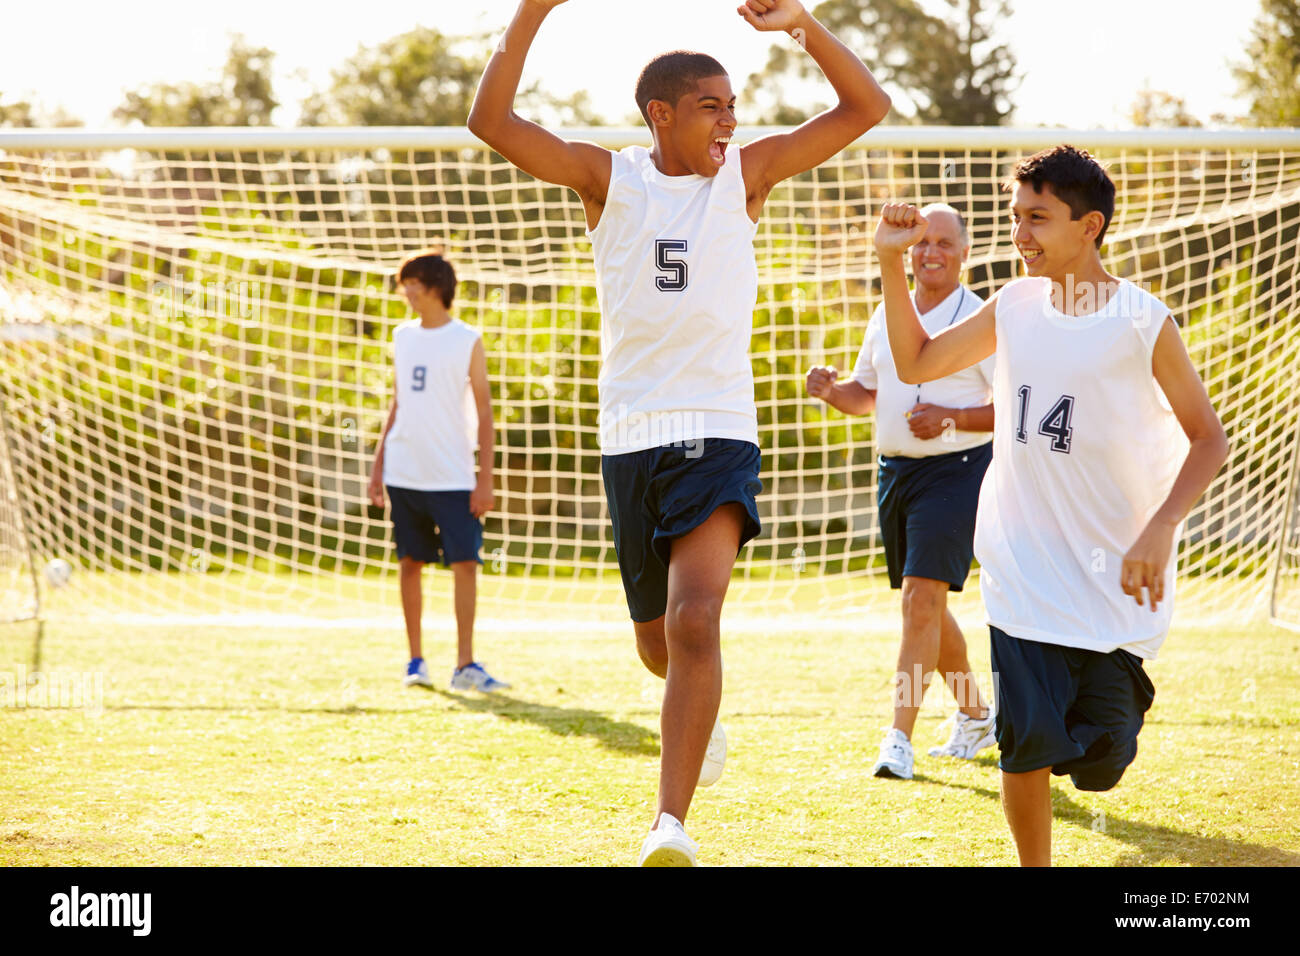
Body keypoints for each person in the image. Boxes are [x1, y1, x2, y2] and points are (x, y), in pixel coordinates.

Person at [469, 0, 890, 864]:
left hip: (720, 427)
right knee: (659, 644)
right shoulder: (609, 179)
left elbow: (865, 109)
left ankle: (669, 824)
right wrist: (534, 10)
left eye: (734, 105)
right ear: (660, 114)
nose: (731, 121)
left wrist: (801, 27)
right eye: (711, 106)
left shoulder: (748, 178)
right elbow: (490, 121)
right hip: (629, 435)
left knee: (696, 622)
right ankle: (701, 718)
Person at [873, 145, 1228, 865]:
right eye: (1015, 218)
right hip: (1021, 570)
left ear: (1089, 225)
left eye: (1037, 219)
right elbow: (914, 364)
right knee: (1025, 743)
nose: (1020, 235)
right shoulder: (1014, 304)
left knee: (1101, 760)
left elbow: (1209, 440)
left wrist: (1160, 527)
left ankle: (1111, 711)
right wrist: (889, 262)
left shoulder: (1141, 321)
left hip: (1112, 580)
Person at [805, 203, 996, 781]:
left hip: (958, 469)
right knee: (925, 605)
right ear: (906, 252)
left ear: (964, 253)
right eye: (920, 242)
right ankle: (977, 715)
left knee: (919, 598)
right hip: (895, 473)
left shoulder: (980, 319)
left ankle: (897, 740)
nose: (930, 251)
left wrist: (950, 417)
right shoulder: (885, 313)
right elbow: (867, 393)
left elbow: (1013, 408)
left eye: (943, 242)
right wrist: (832, 392)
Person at [367, 251, 509, 694]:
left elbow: (485, 412)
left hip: (453, 475)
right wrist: (378, 465)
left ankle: (465, 664)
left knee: (464, 565)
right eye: (404, 282)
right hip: (405, 471)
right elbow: (397, 403)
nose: (406, 290)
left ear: (436, 287)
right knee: (410, 563)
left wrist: (485, 477)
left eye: (414, 282)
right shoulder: (402, 337)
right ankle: (416, 661)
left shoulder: (467, 339)